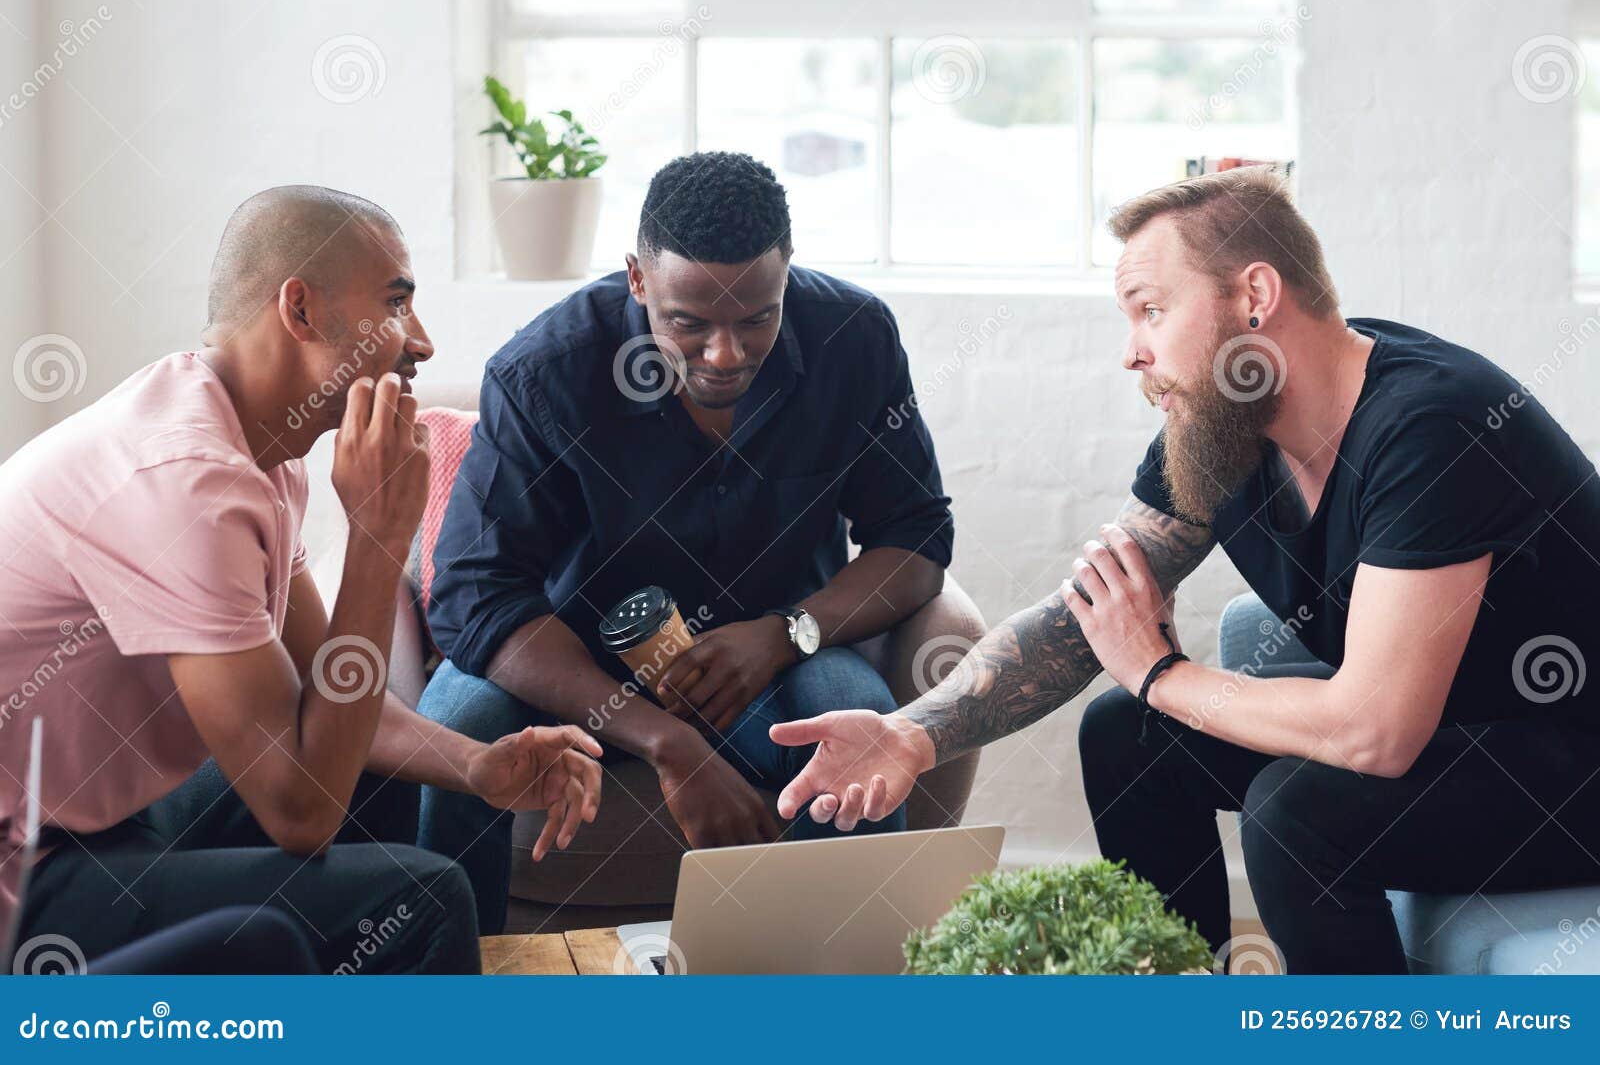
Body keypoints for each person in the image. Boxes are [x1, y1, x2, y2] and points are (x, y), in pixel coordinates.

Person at [769, 166, 1600, 974]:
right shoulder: (1227, 425)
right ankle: (1184, 1006)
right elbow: (1081, 623)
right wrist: (913, 732)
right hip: (1456, 731)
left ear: (1254, 296)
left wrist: (1161, 672)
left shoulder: (1433, 425)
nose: (1133, 352)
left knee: (1293, 811)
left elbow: (1375, 732)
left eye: (1152, 311)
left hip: (1569, 754)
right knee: (1126, 734)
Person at [0, 186, 601, 974]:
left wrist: (476, 764)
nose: (420, 341)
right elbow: (300, 813)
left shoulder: (256, 453)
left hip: (97, 824)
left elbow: (331, 685)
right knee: (422, 897)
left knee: (366, 771)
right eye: (397, 302)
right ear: (301, 310)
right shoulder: (188, 482)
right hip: (27, 882)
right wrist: (377, 540)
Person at [419, 151, 955, 932]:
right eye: (688, 324)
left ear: (787, 271)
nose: (725, 354)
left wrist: (783, 634)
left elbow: (914, 540)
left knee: (855, 711)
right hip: (575, 668)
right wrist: (668, 742)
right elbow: (477, 597)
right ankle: (445, 997)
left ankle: (831, 997)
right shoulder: (546, 371)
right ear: (638, 279)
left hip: (780, 651)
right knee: (461, 715)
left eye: (756, 318)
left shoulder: (854, 338)